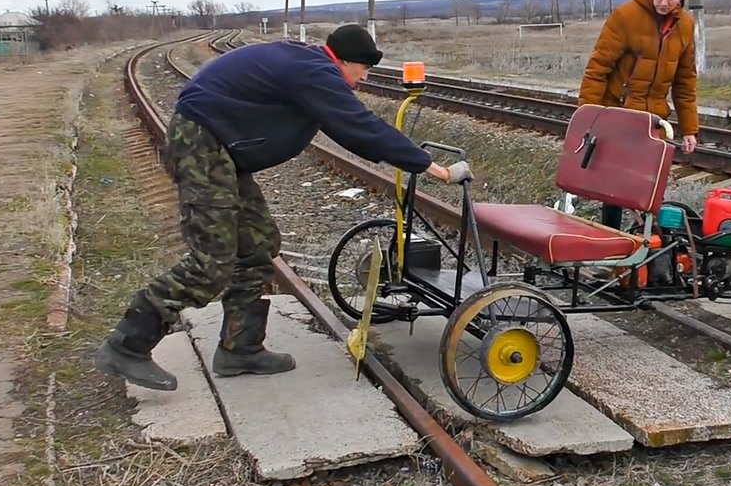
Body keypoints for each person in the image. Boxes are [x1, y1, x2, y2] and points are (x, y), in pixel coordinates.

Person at [94, 24, 473, 391]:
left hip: (218, 146)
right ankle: (127, 345)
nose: (365, 77)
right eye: (364, 68)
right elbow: (359, 127)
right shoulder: (316, 72)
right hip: (202, 144)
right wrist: (430, 167)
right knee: (212, 260)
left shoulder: (308, 65)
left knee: (257, 245)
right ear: (346, 61)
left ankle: (239, 349)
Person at [577, 0, 699, 230]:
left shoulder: (686, 26)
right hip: (619, 114)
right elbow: (597, 70)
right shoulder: (626, 17)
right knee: (614, 186)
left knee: (648, 184)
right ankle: (611, 238)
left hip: (653, 119)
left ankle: (644, 244)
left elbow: (685, 80)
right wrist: (588, 118)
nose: (664, 2)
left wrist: (690, 128)